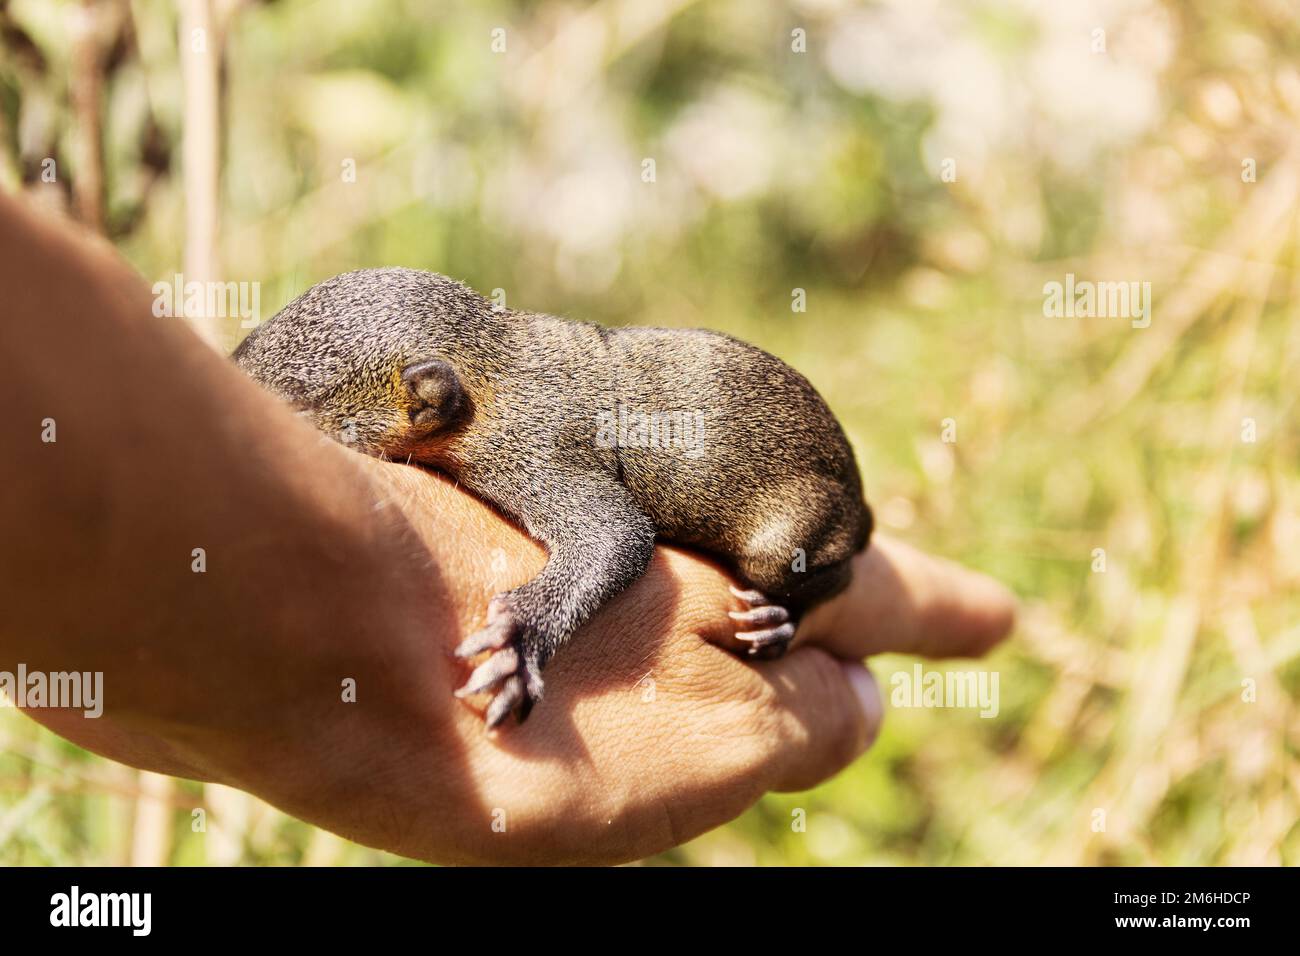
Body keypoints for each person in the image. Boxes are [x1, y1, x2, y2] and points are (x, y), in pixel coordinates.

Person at [0, 193, 1015, 865]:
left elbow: (610, 536)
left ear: (425, 410)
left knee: (781, 555)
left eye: (319, 441)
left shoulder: (519, 429)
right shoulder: (482, 380)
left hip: (796, 512)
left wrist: (527, 621)